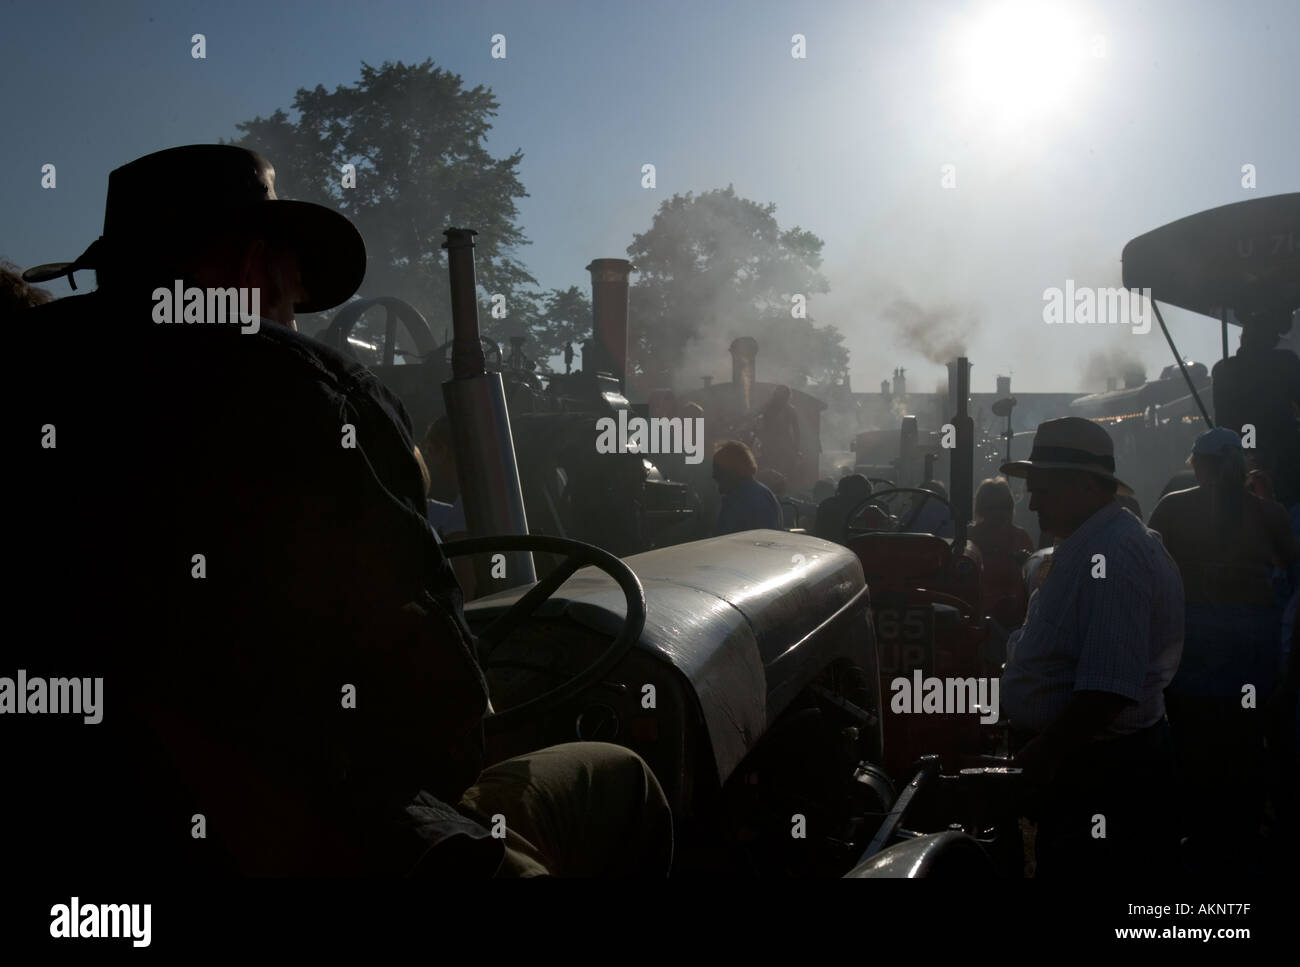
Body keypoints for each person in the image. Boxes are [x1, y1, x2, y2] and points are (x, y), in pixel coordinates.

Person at [11, 144, 671, 877]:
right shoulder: (308, 396)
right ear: (256, 267)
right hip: (306, 847)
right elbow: (438, 729)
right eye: (293, 295)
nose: (291, 319)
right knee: (621, 779)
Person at [999, 417, 1184, 878]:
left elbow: (1107, 689)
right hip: (1090, 765)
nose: (1032, 501)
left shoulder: (1114, 554)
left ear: (1084, 484)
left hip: (1104, 775)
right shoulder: (1087, 544)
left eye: (1042, 487)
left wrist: (1038, 759)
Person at [1148, 426, 1297, 872]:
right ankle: (1242, 835)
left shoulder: (1174, 507)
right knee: (1245, 740)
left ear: (1198, 463)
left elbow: (1146, 564)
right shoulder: (1269, 513)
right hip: (1251, 644)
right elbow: (1293, 571)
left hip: (1191, 641)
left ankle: (1195, 830)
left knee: (1191, 735)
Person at [1211, 308, 1300, 507]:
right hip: (1284, 451)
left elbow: (1221, 420)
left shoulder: (1223, 368)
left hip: (1240, 451)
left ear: (1244, 338)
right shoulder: (1285, 362)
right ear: (1269, 337)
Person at [969, 477, 1036, 628]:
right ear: (982, 508)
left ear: (1010, 507)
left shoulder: (1021, 537)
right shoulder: (970, 538)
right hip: (978, 615)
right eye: (992, 508)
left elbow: (1033, 582)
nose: (998, 513)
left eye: (1003, 507)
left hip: (1016, 617)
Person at [712, 440, 781, 535]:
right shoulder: (760, 494)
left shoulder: (747, 500)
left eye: (718, 469)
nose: (714, 475)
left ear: (733, 470)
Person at [814, 473, 889, 542]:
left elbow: (819, 533)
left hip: (833, 548)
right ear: (868, 490)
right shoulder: (880, 505)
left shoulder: (827, 504)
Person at [758, 385, 801, 481]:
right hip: (771, 444)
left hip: (782, 444)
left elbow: (796, 430)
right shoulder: (768, 408)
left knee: (781, 469)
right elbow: (759, 423)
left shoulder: (789, 410)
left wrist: (796, 448)